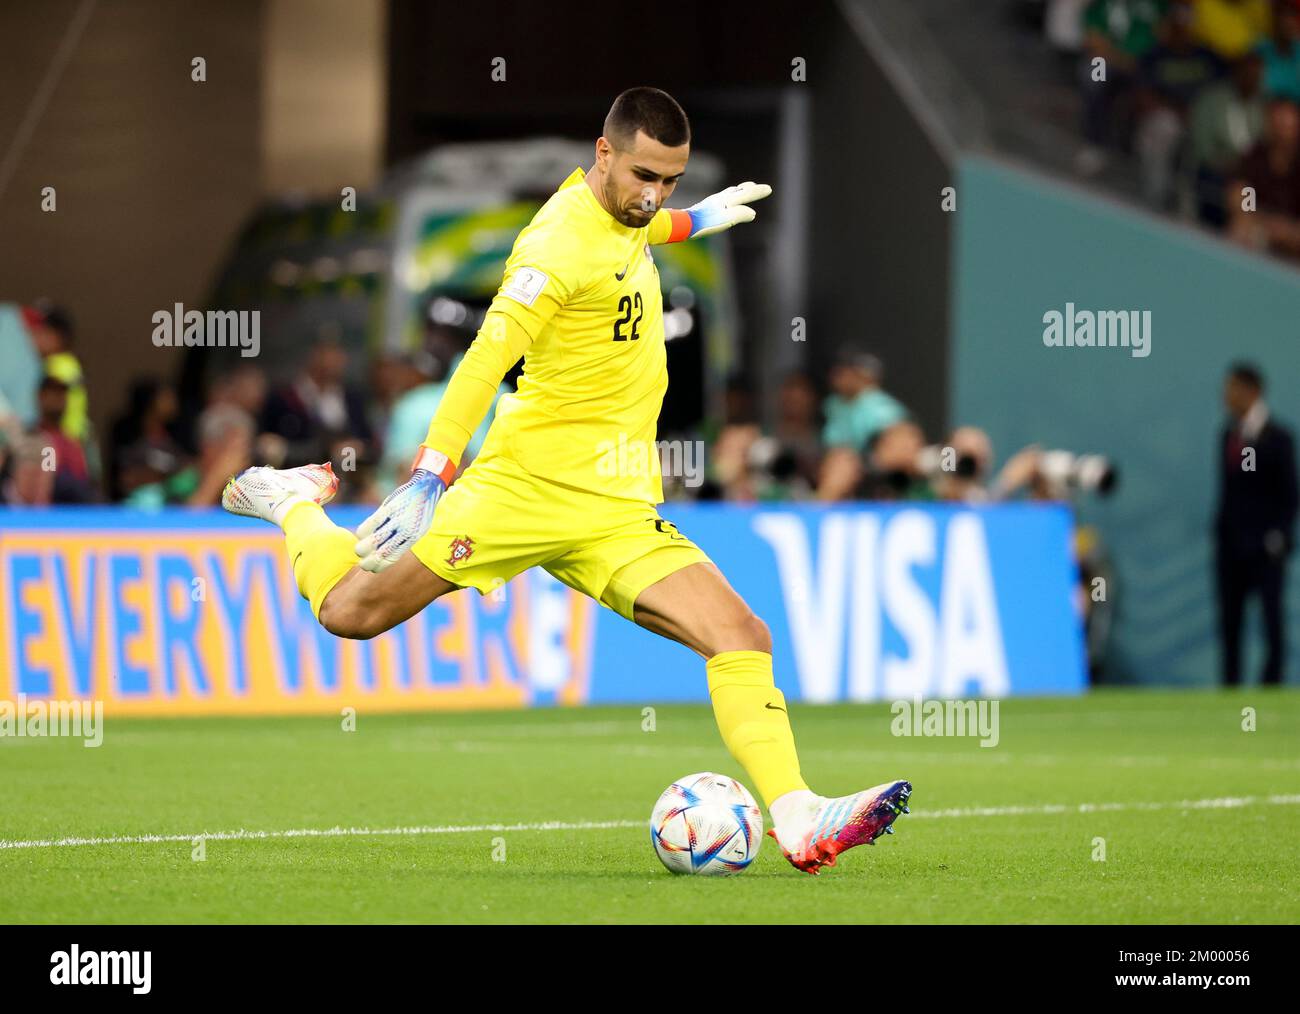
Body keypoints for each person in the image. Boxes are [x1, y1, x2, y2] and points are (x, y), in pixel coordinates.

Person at [223, 87, 911, 875]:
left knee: (742, 635)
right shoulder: (553, 247)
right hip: (524, 491)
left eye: (673, 181)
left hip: (615, 505)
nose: (655, 195)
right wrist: (428, 475)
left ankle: (796, 814)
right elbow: (486, 359)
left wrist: (700, 219)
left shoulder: (631, 214)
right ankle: (291, 506)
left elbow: (646, 224)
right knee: (350, 612)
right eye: (645, 175)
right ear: (604, 152)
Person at [1215, 362, 1298, 685]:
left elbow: (1290, 495)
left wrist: (1276, 537)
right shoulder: (1227, 435)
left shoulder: (1279, 438)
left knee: (1271, 623)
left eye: (1232, 389)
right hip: (1231, 551)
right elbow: (1230, 494)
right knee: (1230, 627)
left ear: (1252, 391)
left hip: (1266, 551)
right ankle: (1230, 693)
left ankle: (1271, 689)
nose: (1226, 396)